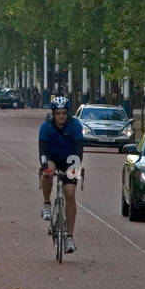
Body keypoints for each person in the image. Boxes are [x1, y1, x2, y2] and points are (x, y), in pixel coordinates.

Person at [38, 96, 85, 254]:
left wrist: (75, 168)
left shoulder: (75, 126)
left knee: (70, 194)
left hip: (70, 159)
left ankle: (69, 236)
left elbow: (79, 150)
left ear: (68, 113)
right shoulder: (46, 127)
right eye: (58, 113)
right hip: (52, 158)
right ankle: (46, 203)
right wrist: (45, 167)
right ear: (53, 113)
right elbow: (42, 151)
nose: (61, 116)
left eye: (64, 113)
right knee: (48, 173)